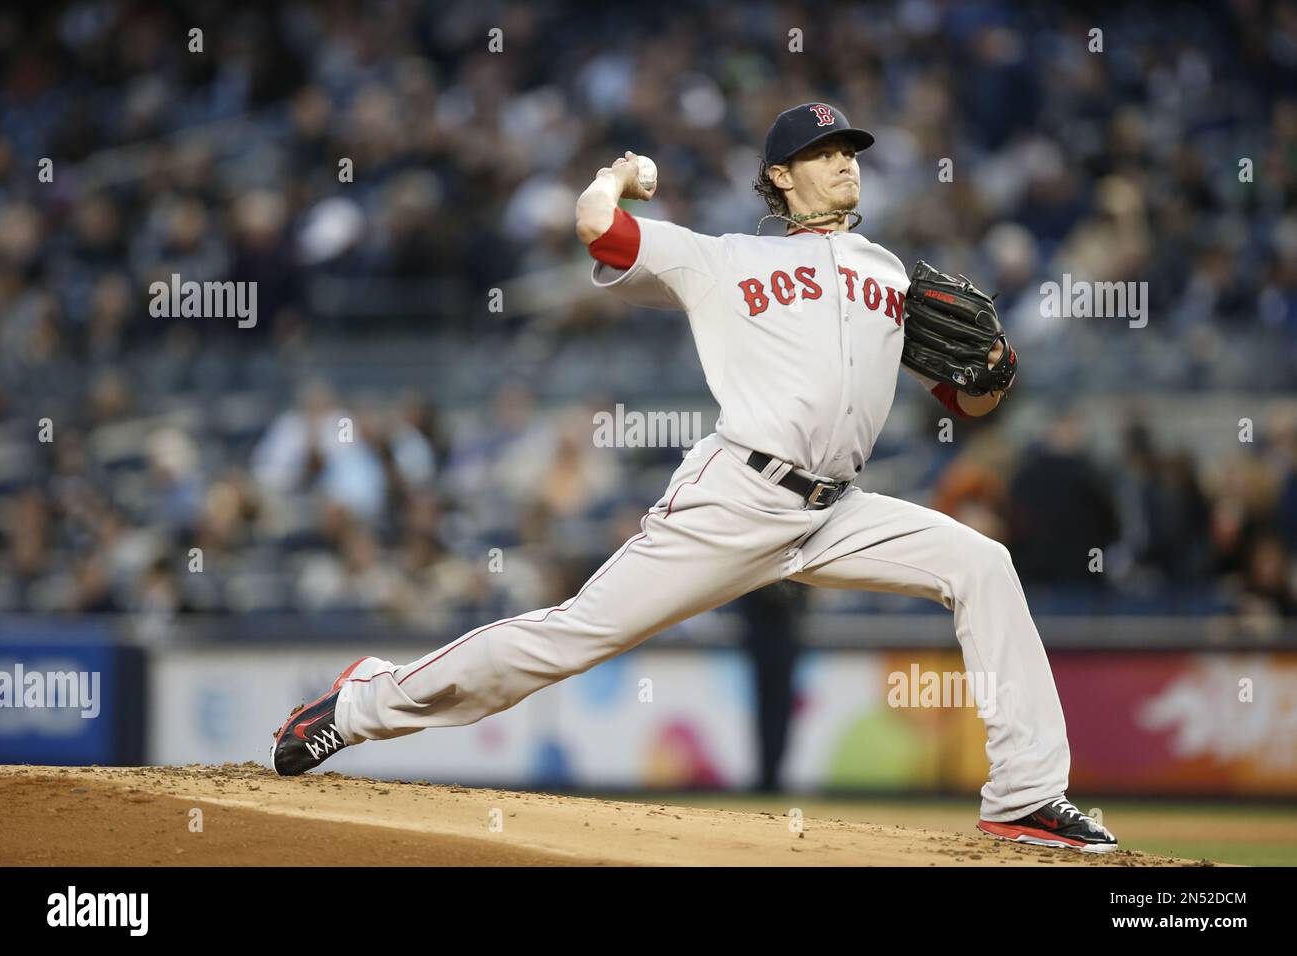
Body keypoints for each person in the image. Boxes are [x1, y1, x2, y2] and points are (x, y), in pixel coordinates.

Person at [271, 103, 1117, 853]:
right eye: (824, 154)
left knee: (982, 565)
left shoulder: (893, 273)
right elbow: (599, 228)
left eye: (851, 150)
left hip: (838, 508)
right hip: (735, 498)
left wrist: (997, 374)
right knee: (570, 638)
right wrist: (618, 174)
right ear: (780, 178)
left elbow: (967, 403)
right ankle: (359, 706)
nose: (845, 162)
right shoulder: (725, 259)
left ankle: (1027, 795)